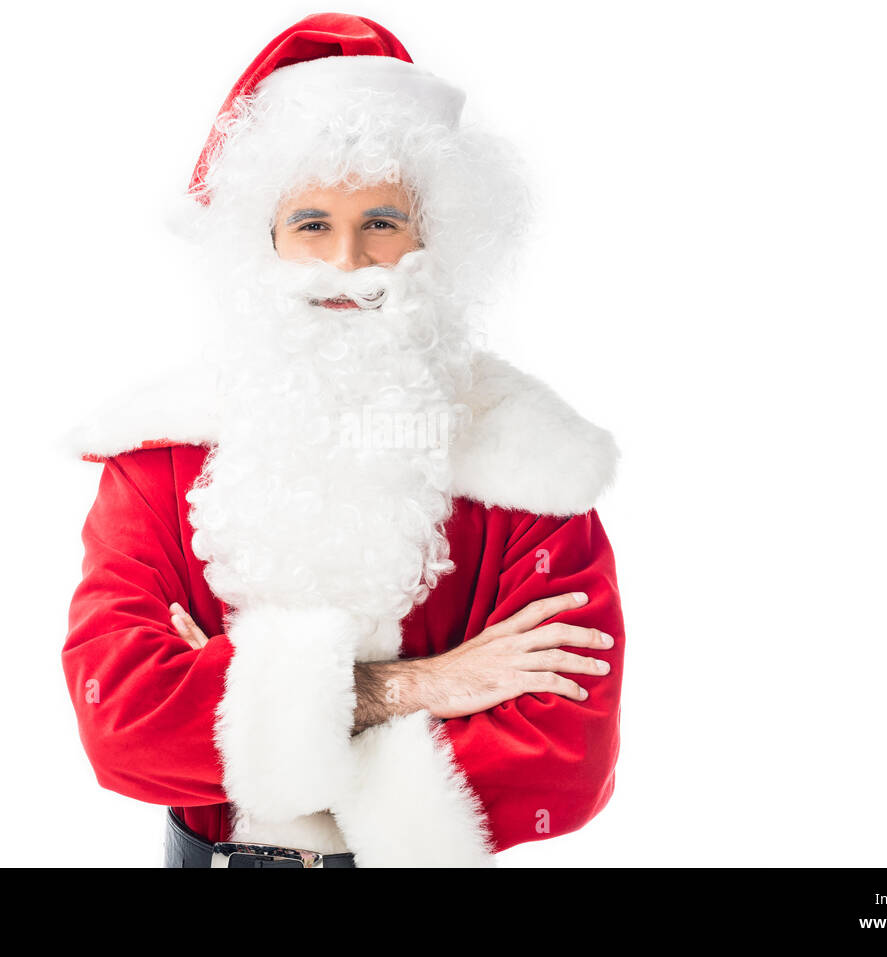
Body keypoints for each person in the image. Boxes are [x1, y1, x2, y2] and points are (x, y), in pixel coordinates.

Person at [61, 12, 626, 868]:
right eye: (313, 223)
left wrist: (236, 697)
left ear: (436, 236)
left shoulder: (529, 465)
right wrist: (428, 686)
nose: (350, 264)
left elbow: (566, 764)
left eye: (384, 222)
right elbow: (123, 726)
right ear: (266, 242)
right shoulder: (157, 459)